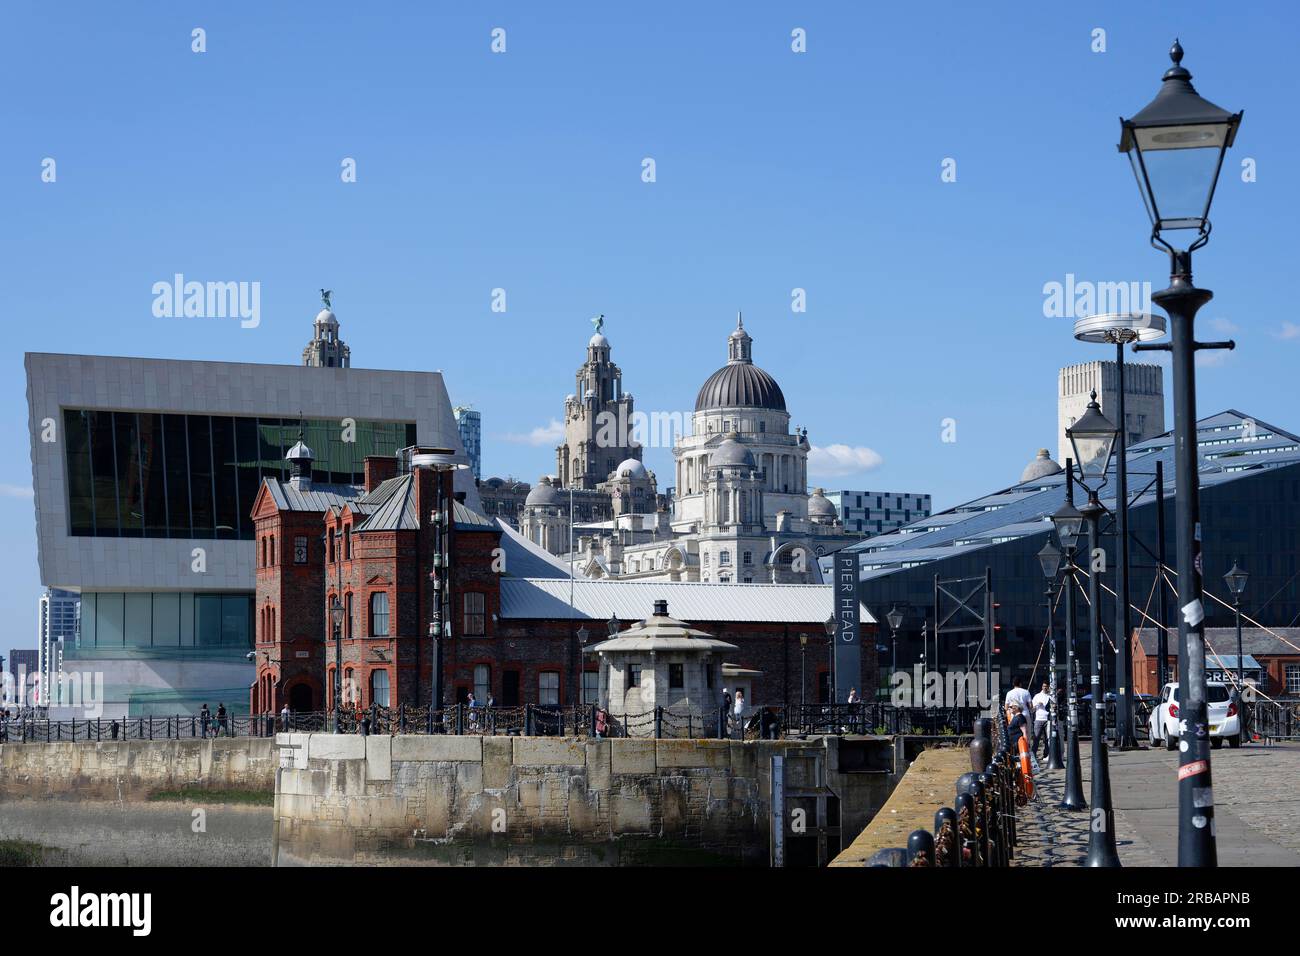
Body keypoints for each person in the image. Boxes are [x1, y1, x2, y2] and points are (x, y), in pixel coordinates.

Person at [1030, 682, 1052, 759]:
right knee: (1036, 738)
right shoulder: (1037, 696)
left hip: (1048, 719)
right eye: (1043, 686)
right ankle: (1033, 755)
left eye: (1046, 686)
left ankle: (1046, 755)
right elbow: (1032, 709)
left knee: (1047, 739)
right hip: (1038, 719)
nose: (1045, 688)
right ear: (1042, 687)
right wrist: (1037, 705)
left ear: (1048, 687)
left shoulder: (1050, 696)